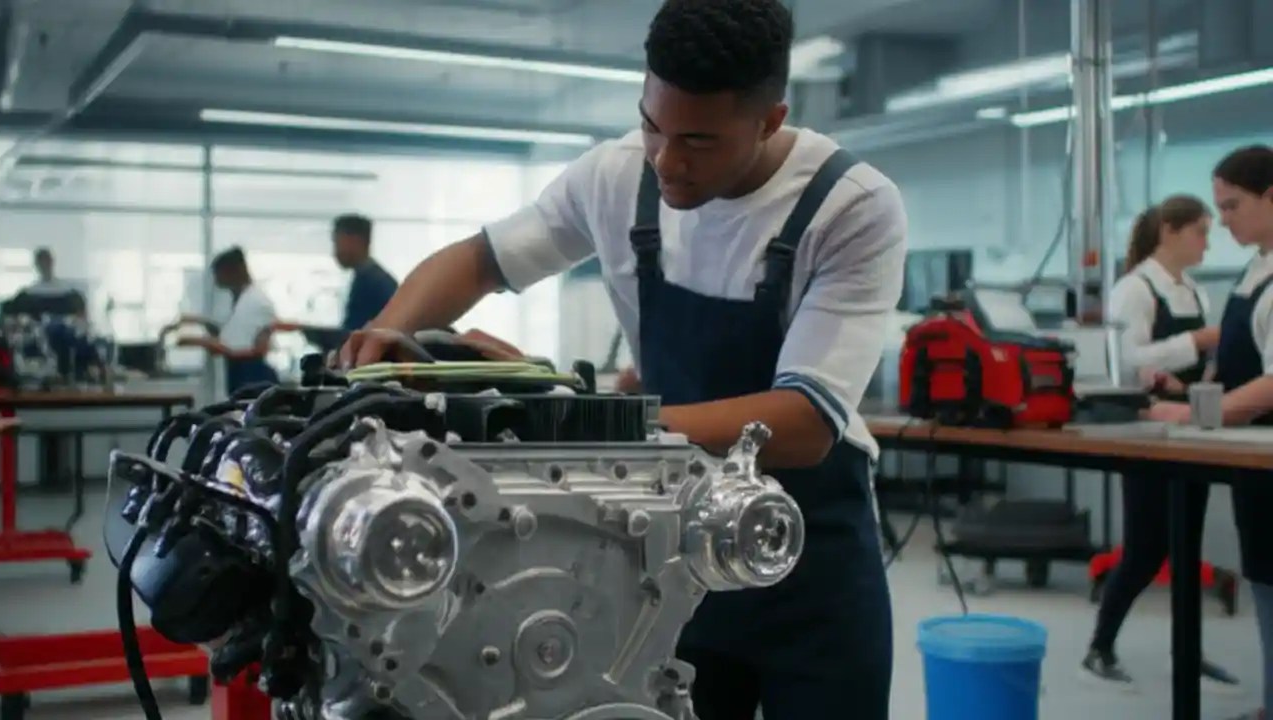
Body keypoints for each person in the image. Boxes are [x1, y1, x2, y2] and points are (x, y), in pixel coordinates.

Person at [336, 1, 905, 716]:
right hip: (668, 550)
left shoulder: (849, 208)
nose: (666, 161)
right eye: (651, 124)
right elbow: (480, 261)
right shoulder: (616, 178)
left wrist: (584, 417)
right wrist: (386, 333)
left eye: (698, 140)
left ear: (769, 120)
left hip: (811, 571)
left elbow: (803, 422)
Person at [1080, 194, 1238, 692]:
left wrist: (1203, 375)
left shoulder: (1192, 291)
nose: (1207, 243)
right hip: (1146, 432)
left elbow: (1196, 363)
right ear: (1170, 230)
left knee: (1187, 545)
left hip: (1187, 426)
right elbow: (1127, 361)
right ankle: (1100, 646)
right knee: (1147, 548)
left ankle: (1187, 652)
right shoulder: (1136, 288)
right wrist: (1197, 343)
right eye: (1201, 232)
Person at [1146, 145, 1273, 719]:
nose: (1223, 221)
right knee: (1265, 581)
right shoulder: (1257, 266)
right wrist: (1189, 393)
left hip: (1265, 452)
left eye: (1233, 206)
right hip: (1251, 459)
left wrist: (1201, 414)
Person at [164, 246, 279, 396]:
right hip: (239, 376)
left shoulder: (257, 302)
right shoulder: (238, 299)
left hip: (253, 377)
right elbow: (231, 332)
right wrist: (197, 321)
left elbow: (254, 349)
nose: (216, 278)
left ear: (234, 271)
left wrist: (203, 342)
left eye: (219, 273)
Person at [272, 214, 398, 347]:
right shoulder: (374, 278)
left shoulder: (372, 284)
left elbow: (353, 337)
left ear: (354, 241)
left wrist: (300, 328)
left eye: (337, 243)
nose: (335, 252)